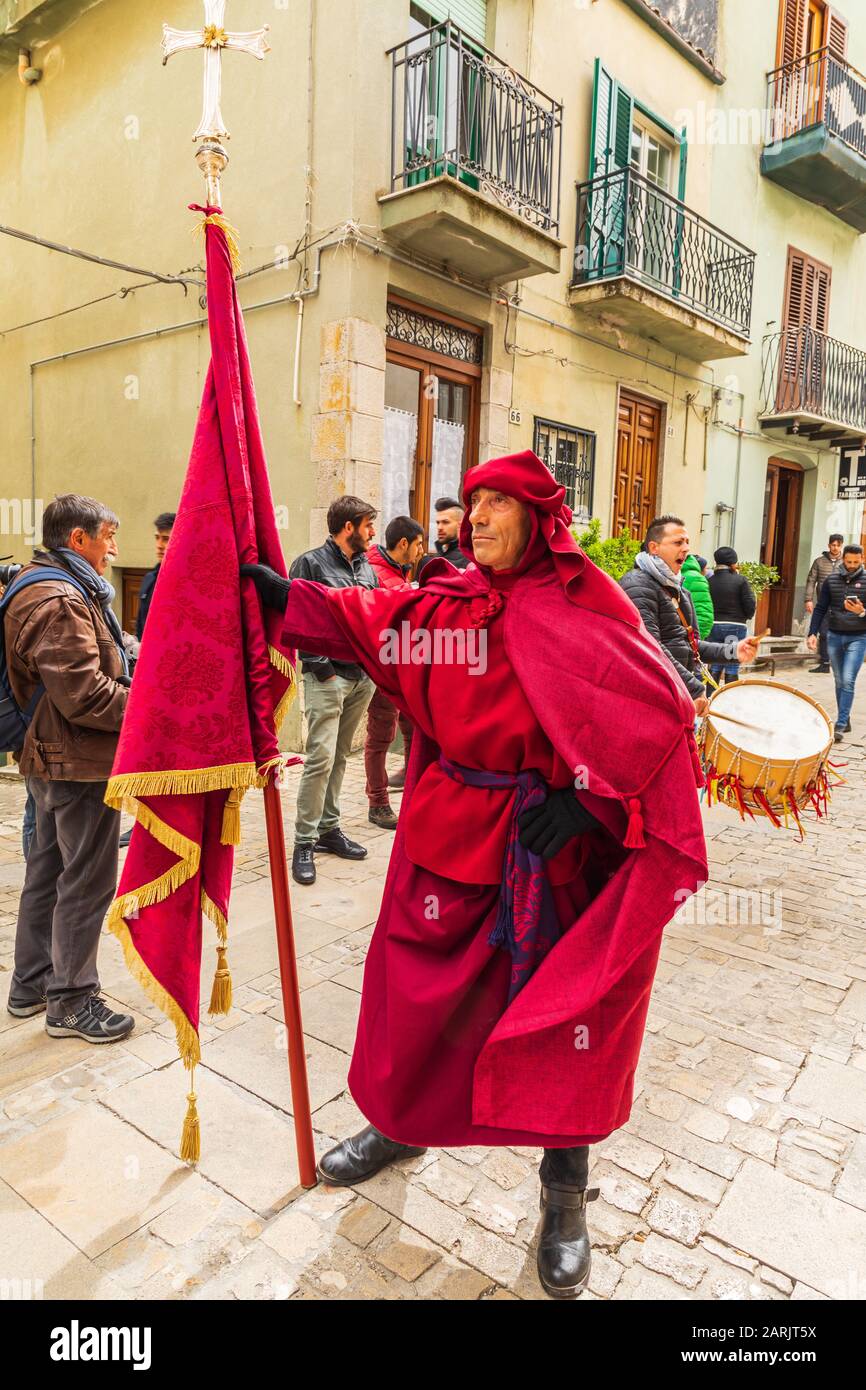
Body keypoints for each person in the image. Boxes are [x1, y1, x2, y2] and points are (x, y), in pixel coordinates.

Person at [241, 451, 709, 1300]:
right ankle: (400, 1125)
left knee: (563, 1020)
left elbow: (661, 723)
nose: (477, 517)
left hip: (551, 857)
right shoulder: (447, 603)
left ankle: (564, 1197)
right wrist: (283, 596)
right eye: (475, 503)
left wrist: (590, 804)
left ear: (540, 521)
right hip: (448, 842)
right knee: (413, 1002)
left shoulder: (585, 609)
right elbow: (364, 618)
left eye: (499, 505)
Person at [2, 495, 134, 1042]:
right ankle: (72, 1001)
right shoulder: (59, 599)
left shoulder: (61, 586)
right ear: (77, 539)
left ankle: (31, 985)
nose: (114, 548)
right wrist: (152, 706)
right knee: (86, 879)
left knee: (48, 872)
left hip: (53, 755)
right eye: (107, 537)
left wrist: (142, 656)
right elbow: (85, 695)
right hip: (74, 761)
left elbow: (103, 653)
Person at [287, 496, 379, 885]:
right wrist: (321, 669)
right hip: (328, 677)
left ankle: (329, 829)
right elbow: (297, 616)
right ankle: (304, 841)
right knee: (320, 758)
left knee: (341, 755)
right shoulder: (310, 563)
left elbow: (375, 614)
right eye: (368, 524)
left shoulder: (366, 568)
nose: (373, 532)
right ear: (348, 527)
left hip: (362, 677)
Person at [620, 517, 760, 717]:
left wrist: (733, 651)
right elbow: (650, 647)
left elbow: (690, 646)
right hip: (649, 701)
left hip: (676, 696)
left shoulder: (678, 589)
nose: (686, 548)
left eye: (687, 542)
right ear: (654, 547)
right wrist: (693, 688)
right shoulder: (637, 585)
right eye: (678, 543)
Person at [364, 517, 424, 825]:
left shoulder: (398, 572)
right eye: (418, 544)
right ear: (404, 544)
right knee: (380, 737)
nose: (422, 551)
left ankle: (413, 789)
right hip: (380, 672)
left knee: (412, 728)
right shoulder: (376, 574)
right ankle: (378, 802)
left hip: (400, 669)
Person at [808, 543, 866, 742]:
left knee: (848, 679)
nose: (851, 565)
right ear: (843, 559)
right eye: (848, 561)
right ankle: (845, 716)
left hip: (858, 637)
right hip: (833, 635)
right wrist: (812, 632)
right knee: (839, 679)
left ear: (862, 559)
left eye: (856, 562)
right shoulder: (831, 580)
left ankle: (840, 724)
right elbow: (820, 608)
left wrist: (862, 612)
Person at [707, 546, 757, 685]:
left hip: (714, 625)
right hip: (735, 626)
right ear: (732, 563)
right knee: (731, 664)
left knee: (715, 661)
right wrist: (746, 616)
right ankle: (728, 701)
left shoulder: (709, 581)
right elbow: (750, 604)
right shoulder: (740, 580)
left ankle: (710, 698)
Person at [805, 533, 843, 673]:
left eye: (838, 545)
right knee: (824, 633)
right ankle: (824, 663)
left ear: (841, 546)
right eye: (833, 545)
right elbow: (811, 581)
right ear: (829, 545)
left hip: (840, 604)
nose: (835, 548)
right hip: (823, 603)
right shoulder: (819, 562)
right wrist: (808, 599)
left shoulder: (845, 562)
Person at [136, 511, 175, 640]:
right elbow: (140, 625)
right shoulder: (149, 579)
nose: (159, 545)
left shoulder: (186, 582)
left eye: (166, 539)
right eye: (157, 538)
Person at [417, 496, 471, 573]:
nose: (439, 527)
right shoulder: (433, 559)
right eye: (438, 523)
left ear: (460, 525)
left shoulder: (470, 561)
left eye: (445, 522)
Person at [681, 554, 714, 639]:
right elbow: (704, 612)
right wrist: (698, 636)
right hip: (687, 634)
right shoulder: (697, 578)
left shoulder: (675, 573)